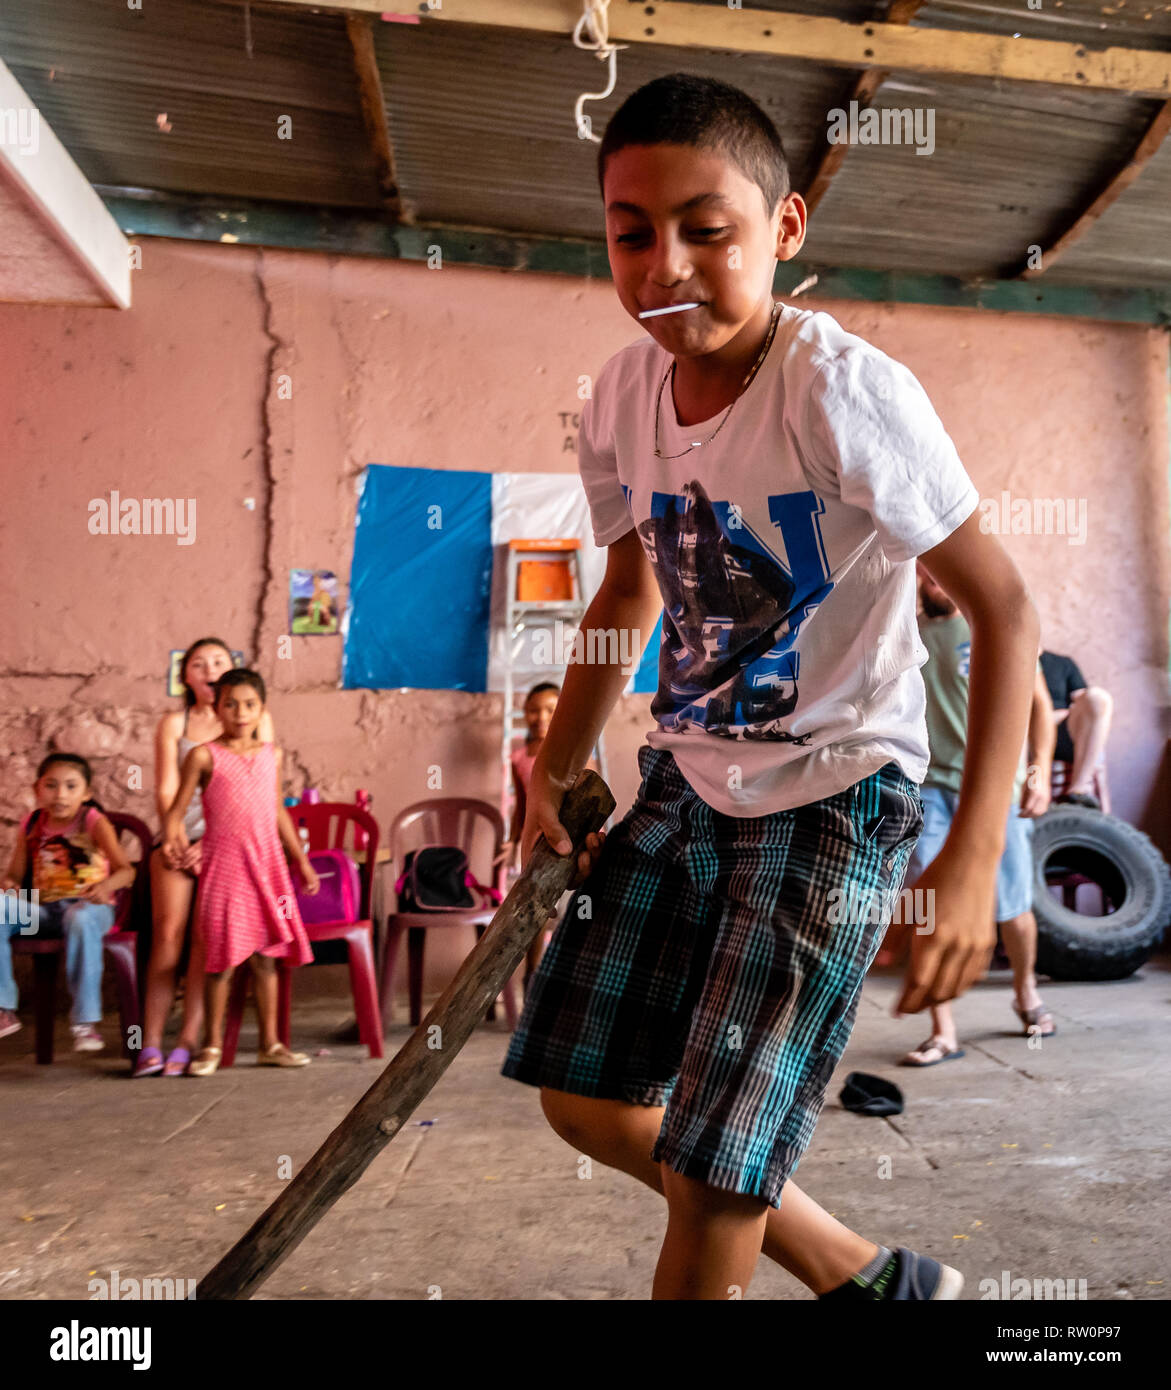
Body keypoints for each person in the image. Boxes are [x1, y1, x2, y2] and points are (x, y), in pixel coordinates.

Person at [500, 73, 1041, 1302]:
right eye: (631, 232)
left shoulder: (842, 392)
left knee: (717, 1169)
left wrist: (970, 853)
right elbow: (627, 595)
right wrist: (556, 766)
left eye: (708, 229)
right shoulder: (619, 399)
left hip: (837, 798)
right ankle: (867, 1280)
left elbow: (1003, 605)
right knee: (585, 1095)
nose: (664, 263)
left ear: (785, 229)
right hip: (688, 778)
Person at [896, 565, 1056, 1065]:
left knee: (1014, 909)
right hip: (928, 788)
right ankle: (943, 1031)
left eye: (944, 572)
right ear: (919, 574)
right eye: (927, 572)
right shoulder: (907, 636)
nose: (936, 579)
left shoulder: (994, 625)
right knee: (927, 906)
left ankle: (1026, 993)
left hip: (994, 792)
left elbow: (1040, 706)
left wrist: (1039, 772)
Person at [163, 668, 317, 1076]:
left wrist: (299, 860)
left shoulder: (272, 754)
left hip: (268, 864)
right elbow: (176, 812)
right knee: (221, 958)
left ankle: (271, 1044)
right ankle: (211, 1047)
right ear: (216, 709)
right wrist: (173, 837)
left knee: (267, 957)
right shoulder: (203, 755)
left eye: (249, 704)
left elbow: (277, 810)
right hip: (224, 866)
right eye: (230, 704)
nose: (240, 712)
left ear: (262, 709)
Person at [136, 637, 276, 1078]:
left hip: (229, 844)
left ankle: (190, 1042)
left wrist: (210, 845)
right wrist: (174, 836)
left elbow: (264, 790)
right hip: (179, 840)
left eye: (219, 661)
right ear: (187, 676)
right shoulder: (173, 723)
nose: (209, 669)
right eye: (198, 664)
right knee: (167, 935)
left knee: (207, 939)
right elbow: (165, 789)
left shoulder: (257, 720)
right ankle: (150, 1042)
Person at [0, 753, 135, 1051]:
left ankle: (85, 1024)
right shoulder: (32, 823)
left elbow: (126, 871)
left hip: (91, 908)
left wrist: (105, 886)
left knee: (79, 916)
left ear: (86, 793)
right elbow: (13, 874)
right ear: (37, 789)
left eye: (71, 787)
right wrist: (8, 888)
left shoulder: (92, 821)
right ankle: (3, 1008)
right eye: (51, 785)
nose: (60, 794)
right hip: (43, 911)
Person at [1040, 650, 1112, 810]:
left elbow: (1085, 700)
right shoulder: (1012, 660)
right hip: (1025, 732)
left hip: (1062, 730)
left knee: (1098, 698)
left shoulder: (1063, 663)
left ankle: (1078, 793)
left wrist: (1059, 716)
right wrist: (1044, 719)